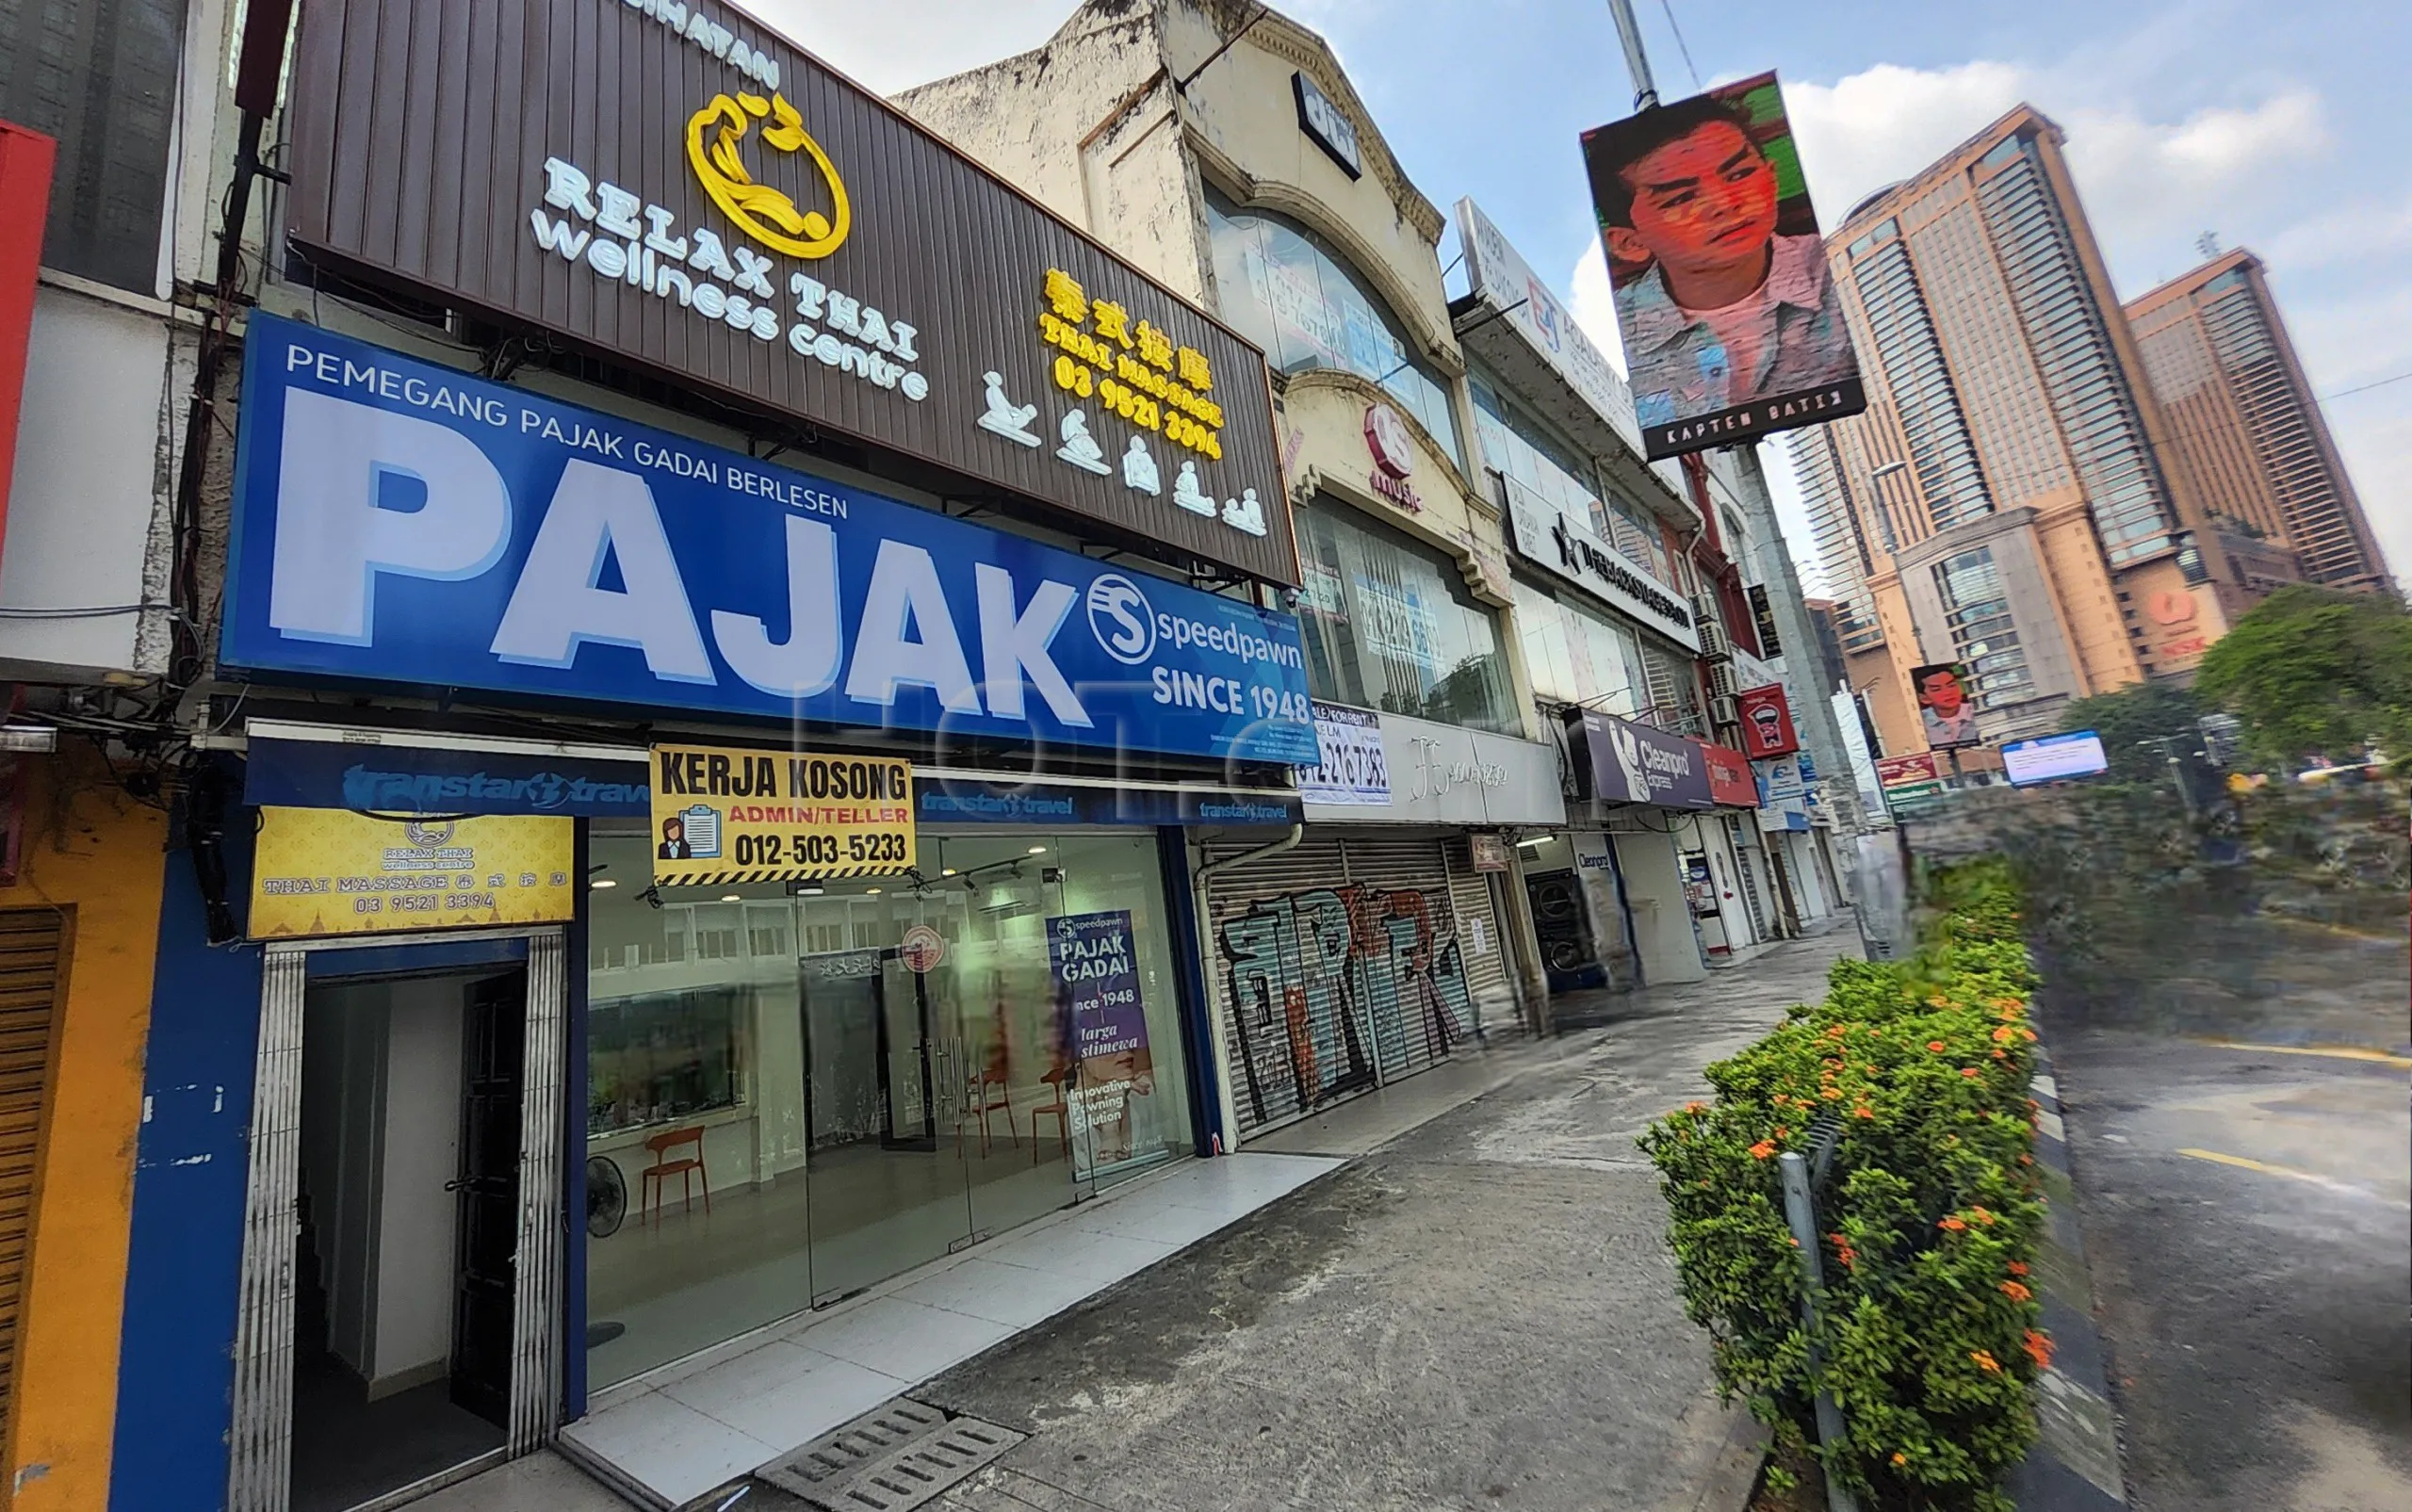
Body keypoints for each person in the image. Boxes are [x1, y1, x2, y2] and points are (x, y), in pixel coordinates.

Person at [1593, 94, 1855, 425]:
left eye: (1739, 174)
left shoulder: (1839, 273)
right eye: (1682, 197)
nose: (1725, 203)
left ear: (1771, 178)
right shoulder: (1629, 327)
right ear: (1629, 242)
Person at [1917, 666, 1981, 748]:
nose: (1948, 692)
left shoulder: (1977, 710)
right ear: (1924, 698)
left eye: (1952, 685)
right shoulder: (1919, 723)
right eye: (1936, 689)